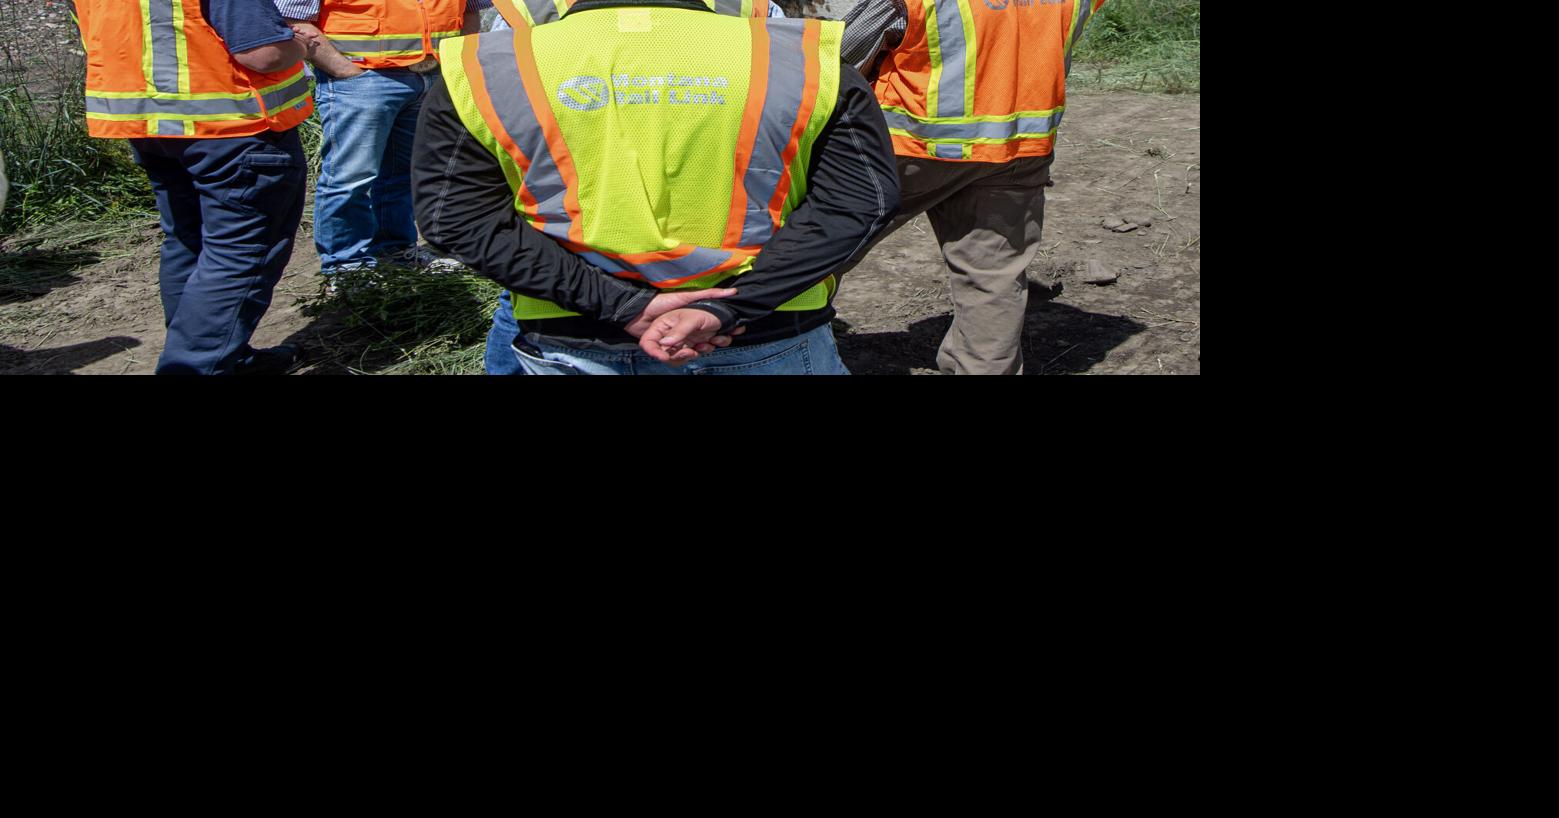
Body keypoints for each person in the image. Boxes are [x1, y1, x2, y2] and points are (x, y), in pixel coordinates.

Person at [414, 0, 899, 374]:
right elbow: (858, 203)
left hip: (575, 332)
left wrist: (622, 305)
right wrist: (724, 309)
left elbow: (454, 218)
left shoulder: (486, 68)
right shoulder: (801, 59)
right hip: (766, 331)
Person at [482, 0, 784, 374]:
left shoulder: (524, 9)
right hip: (721, 268)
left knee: (519, 305)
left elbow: (493, 115)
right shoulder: (750, 7)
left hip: (567, 260)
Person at [842, 0, 1106, 374]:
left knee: (816, 246)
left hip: (911, 146)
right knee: (992, 282)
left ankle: (771, 338)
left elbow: (842, 54)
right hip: (1018, 147)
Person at [75, 0, 313, 375]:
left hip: (151, 124)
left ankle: (223, 355)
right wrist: (302, 45)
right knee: (238, 256)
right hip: (233, 129)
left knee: (189, 242)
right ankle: (194, 366)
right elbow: (264, 53)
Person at [277, 1, 491, 287]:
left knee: (403, 173)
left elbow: (471, 9)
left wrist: (457, 63)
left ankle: (396, 251)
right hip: (364, 79)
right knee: (350, 178)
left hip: (432, 75)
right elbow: (291, 18)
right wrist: (344, 70)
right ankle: (346, 268)